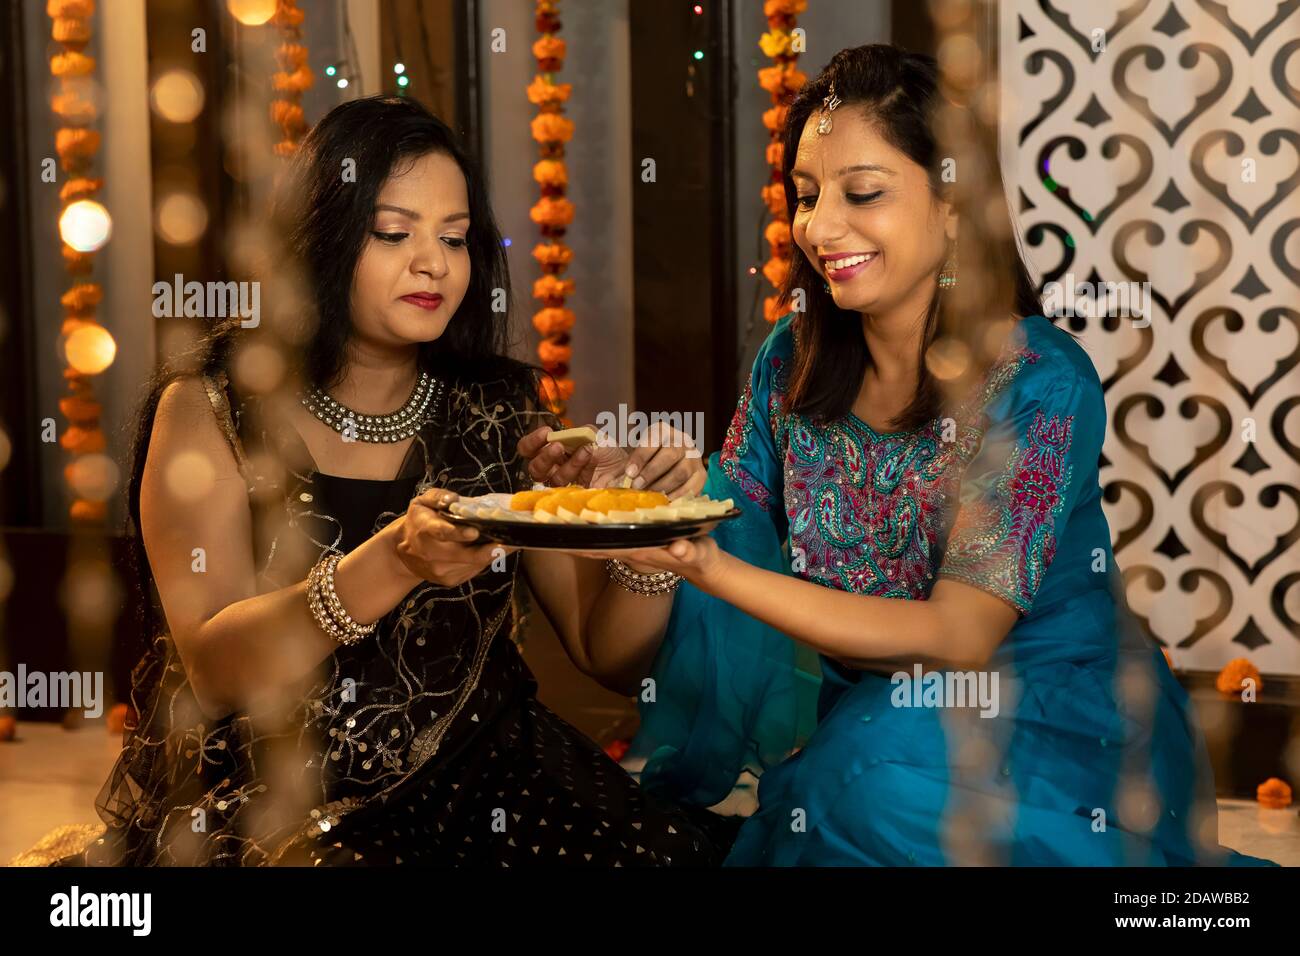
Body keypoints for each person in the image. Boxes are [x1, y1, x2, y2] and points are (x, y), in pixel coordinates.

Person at [540, 45, 1276, 866]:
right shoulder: (793, 362)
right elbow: (670, 619)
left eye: (863, 194)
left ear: (955, 205)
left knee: (857, 791)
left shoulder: (1039, 382)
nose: (820, 229)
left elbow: (960, 638)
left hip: (1050, 721)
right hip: (877, 725)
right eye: (807, 196)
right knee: (840, 788)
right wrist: (634, 513)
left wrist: (707, 565)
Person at [60, 96, 735, 867]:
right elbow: (217, 672)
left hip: (494, 769)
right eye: (393, 233)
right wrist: (397, 561)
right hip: (287, 791)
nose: (434, 263)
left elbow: (604, 655)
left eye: (454, 237)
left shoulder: (498, 409)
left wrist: (649, 538)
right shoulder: (215, 408)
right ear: (320, 239)